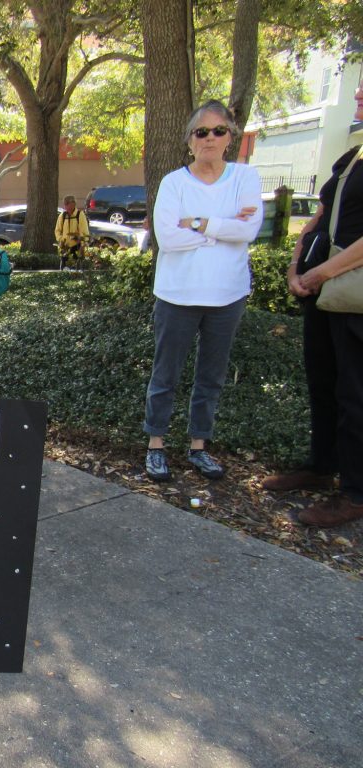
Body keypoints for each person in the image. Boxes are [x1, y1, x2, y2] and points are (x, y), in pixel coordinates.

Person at [143, 100, 263, 482]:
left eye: (218, 131)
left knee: (211, 377)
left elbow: (247, 231)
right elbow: (168, 238)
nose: (209, 138)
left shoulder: (245, 178)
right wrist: (222, 227)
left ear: (230, 137)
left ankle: (199, 446)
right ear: (189, 141)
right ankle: (156, 446)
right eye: (201, 132)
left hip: (227, 296)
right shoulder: (174, 183)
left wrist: (197, 222)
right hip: (177, 295)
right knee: (165, 375)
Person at [264, 84, 363, 528]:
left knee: (355, 394)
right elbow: (319, 219)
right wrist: (295, 266)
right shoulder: (351, 158)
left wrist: (322, 273)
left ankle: (355, 492)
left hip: (353, 296)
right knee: (323, 384)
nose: (358, 94)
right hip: (322, 296)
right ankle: (321, 468)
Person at [54, 195, 90, 268]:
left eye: (68, 204)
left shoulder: (80, 215)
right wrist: (61, 240)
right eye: (65, 204)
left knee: (77, 268)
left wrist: (82, 245)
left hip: (77, 246)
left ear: (73, 204)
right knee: (64, 268)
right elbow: (57, 230)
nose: (66, 207)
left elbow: (84, 231)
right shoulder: (62, 215)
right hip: (65, 247)